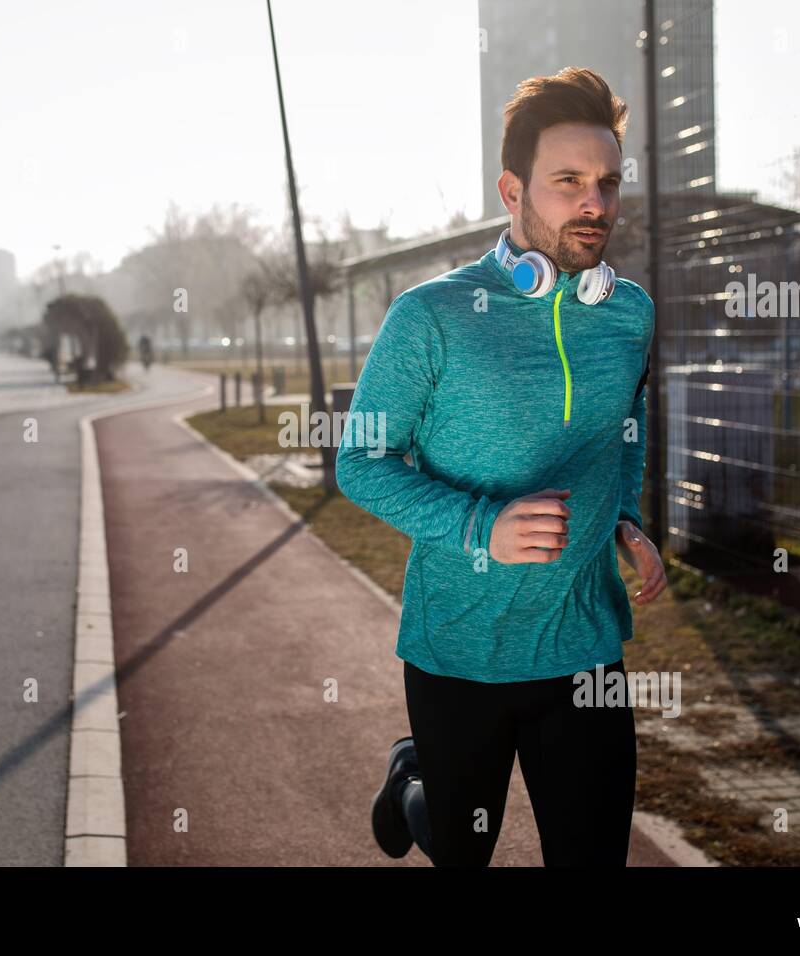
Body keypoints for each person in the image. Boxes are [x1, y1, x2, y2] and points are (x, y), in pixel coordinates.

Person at [339, 67, 668, 867]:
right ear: (512, 191)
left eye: (607, 183)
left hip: (582, 649)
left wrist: (626, 517)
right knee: (462, 852)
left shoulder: (629, 313)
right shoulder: (430, 316)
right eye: (568, 183)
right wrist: (483, 525)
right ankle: (414, 776)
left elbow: (629, 422)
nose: (595, 203)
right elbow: (360, 461)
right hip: (458, 654)